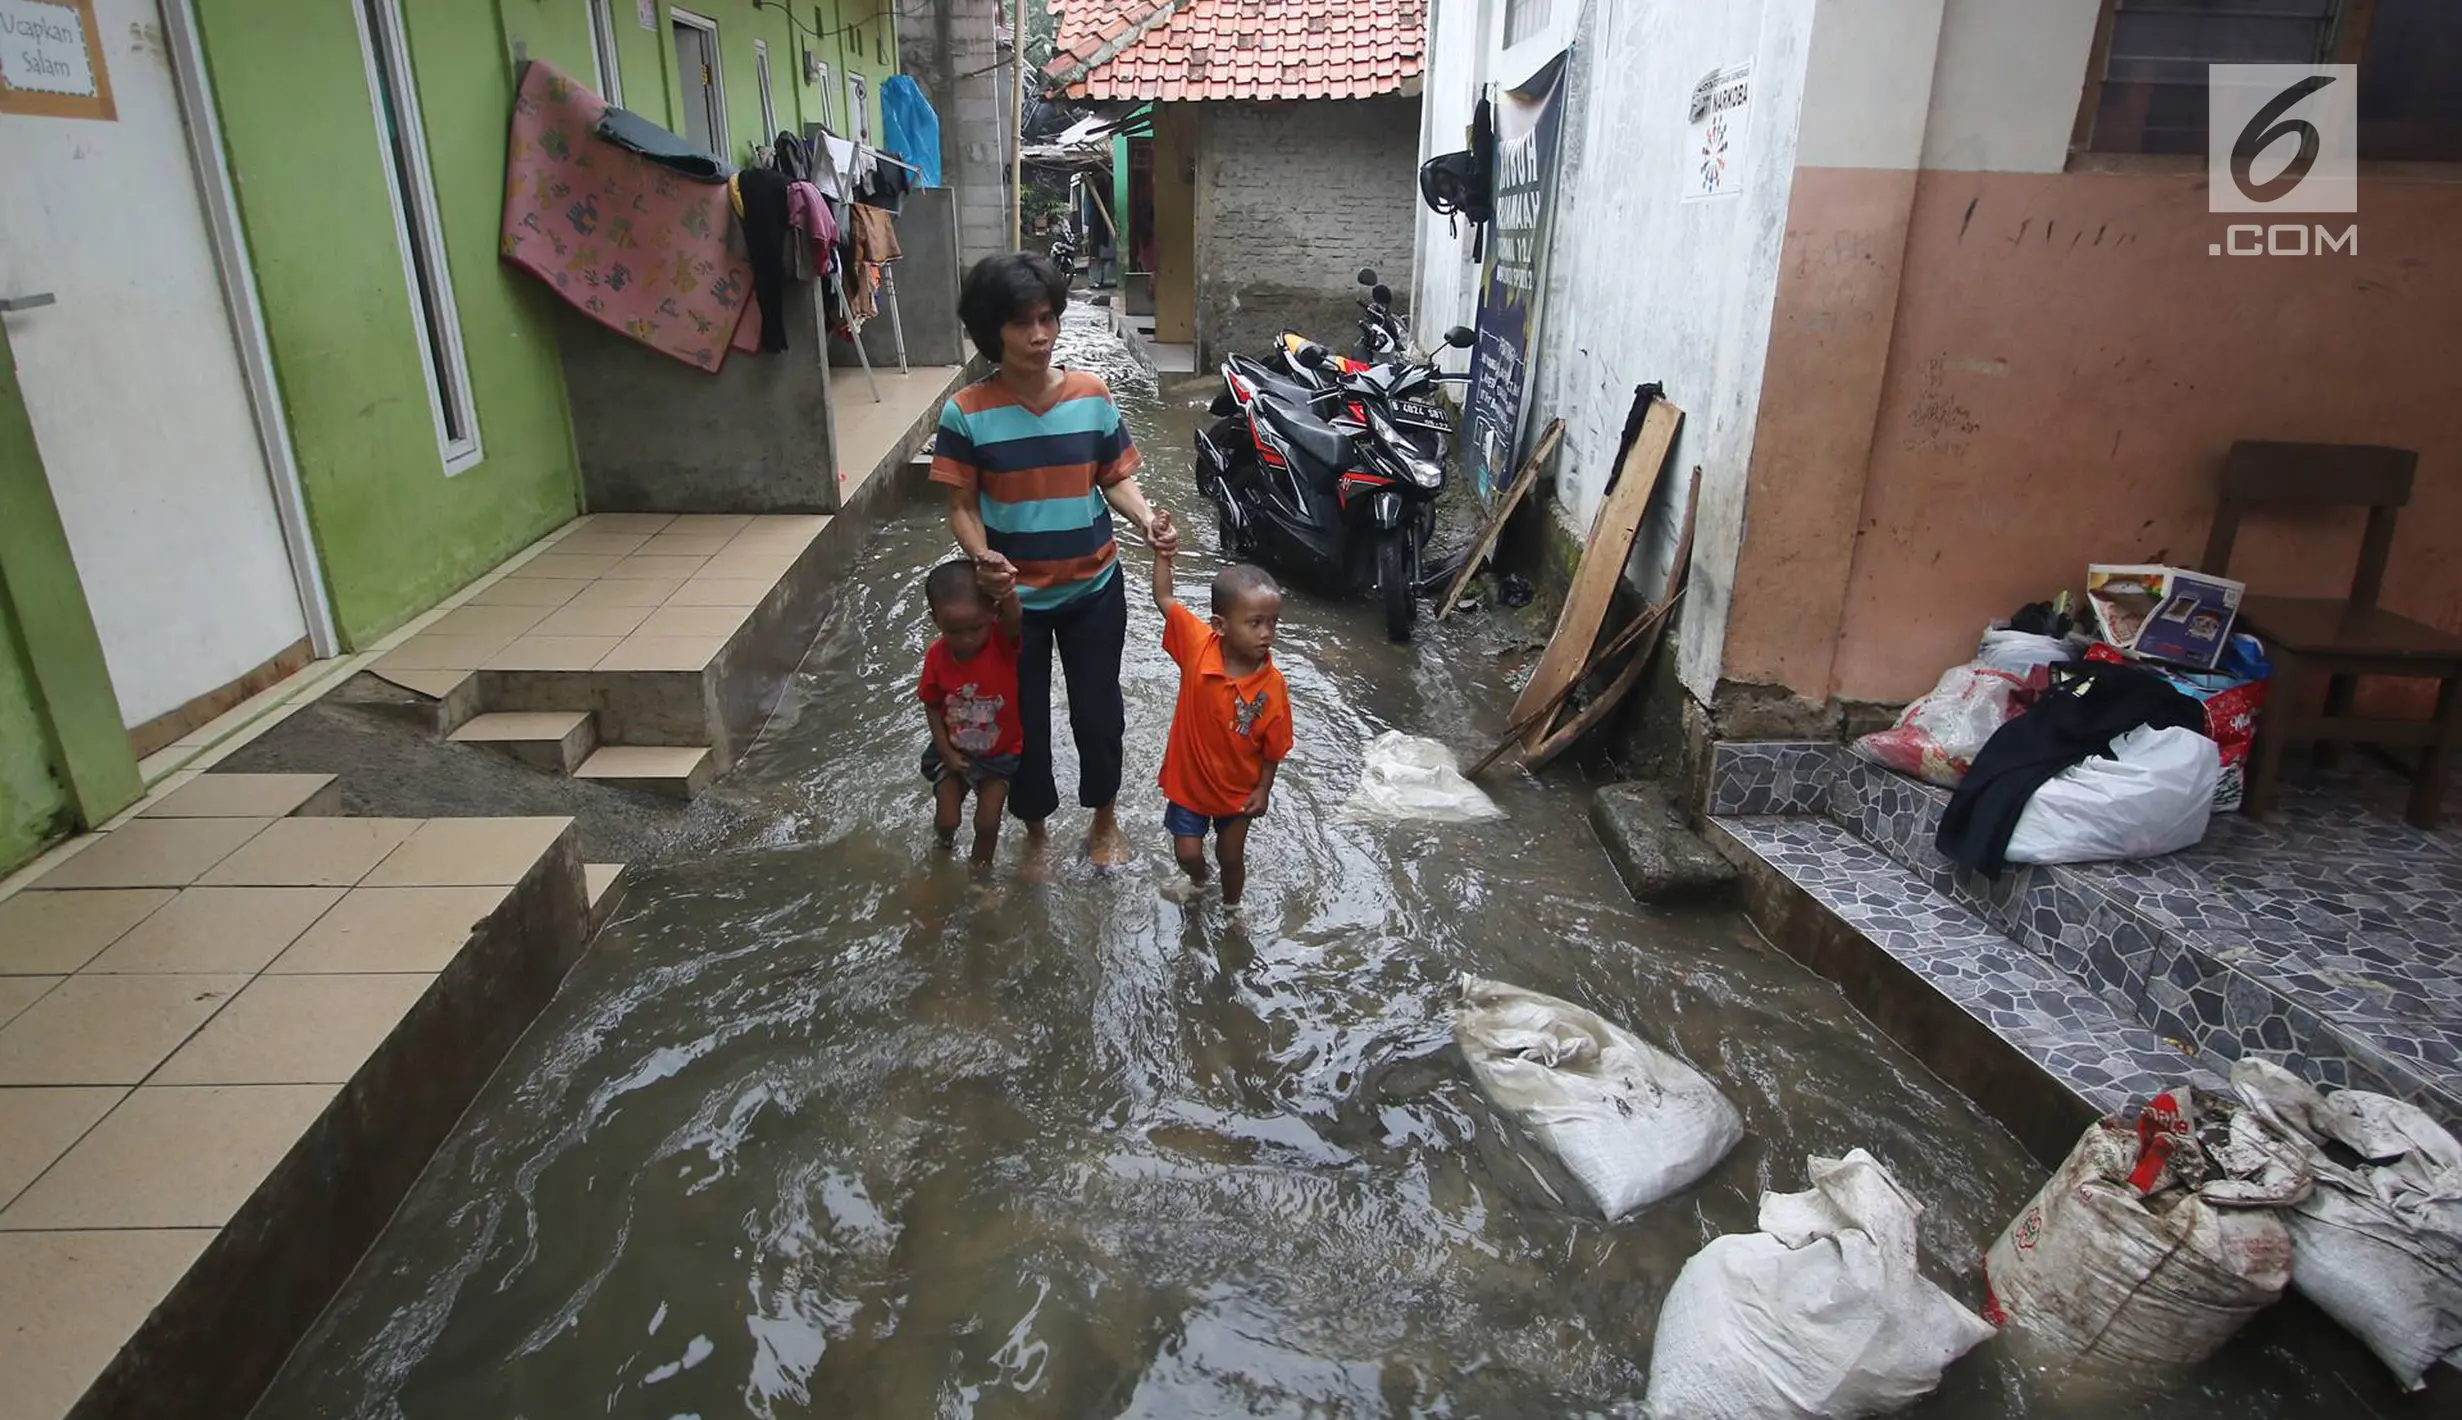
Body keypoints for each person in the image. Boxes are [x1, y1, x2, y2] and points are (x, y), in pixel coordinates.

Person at [933, 252, 1176, 867]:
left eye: (1048, 319)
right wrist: (983, 554)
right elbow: (961, 505)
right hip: (1013, 606)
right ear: (993, 331)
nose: (1040, 336)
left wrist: (1147, 520)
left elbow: (1113, 477)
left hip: (1094, 587)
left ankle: (1103, 820)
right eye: (1022, 324)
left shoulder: (1091, 396)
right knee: (1024, 723)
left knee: (1100, 715)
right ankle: (1036, 830)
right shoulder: (966, 411)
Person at [1150, 511, 1292, 906]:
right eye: (1255, 623)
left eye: (1273, 623)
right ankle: (1199, 881)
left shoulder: (1273, 686)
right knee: (1188, 853)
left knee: (1231, 855)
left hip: (1237, 792)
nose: (1267, 634)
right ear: (1220, 625)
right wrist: (1163, 553)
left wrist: (1263, 790)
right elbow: (1164, 598)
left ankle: (1232, 908)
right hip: (1190, 785)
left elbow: (1274, 748)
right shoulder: (1198, 647)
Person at [916, 558, 1023, 865]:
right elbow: (932, 704)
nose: (966, 639)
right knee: (948, 819)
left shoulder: (1003, 644)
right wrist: (945, 749)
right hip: (952, 753)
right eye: (954, 630)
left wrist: (1006, 588)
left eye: (975, 628)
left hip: (999, 755)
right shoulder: (936, 656)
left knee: (987, 825)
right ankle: (941, 851)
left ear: (993, 614)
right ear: (935, 620)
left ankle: (979, 877)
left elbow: (1015, 618)